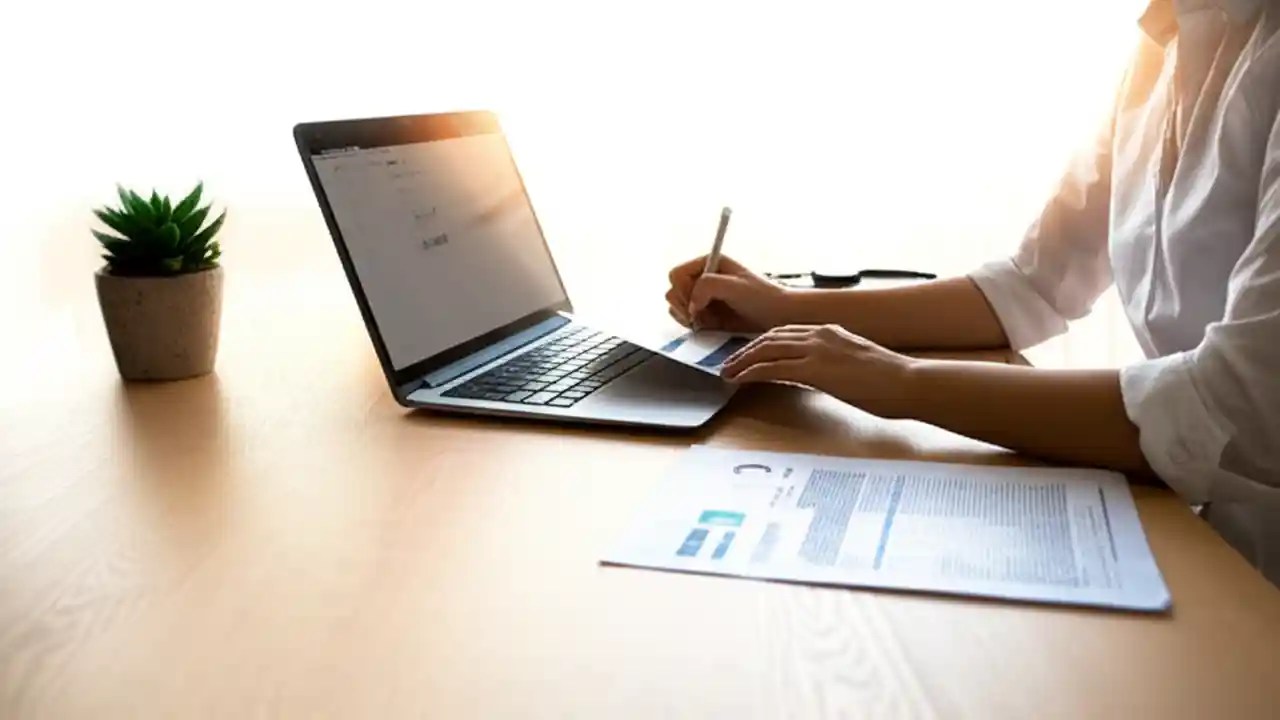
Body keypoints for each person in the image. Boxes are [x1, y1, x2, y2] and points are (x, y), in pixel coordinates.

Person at [666, 0, 1280, 584]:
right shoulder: (1159, 46)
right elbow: (1032, 283)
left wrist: (901, 382)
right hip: (1203, 529)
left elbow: (1232, 408)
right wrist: (784, 307)